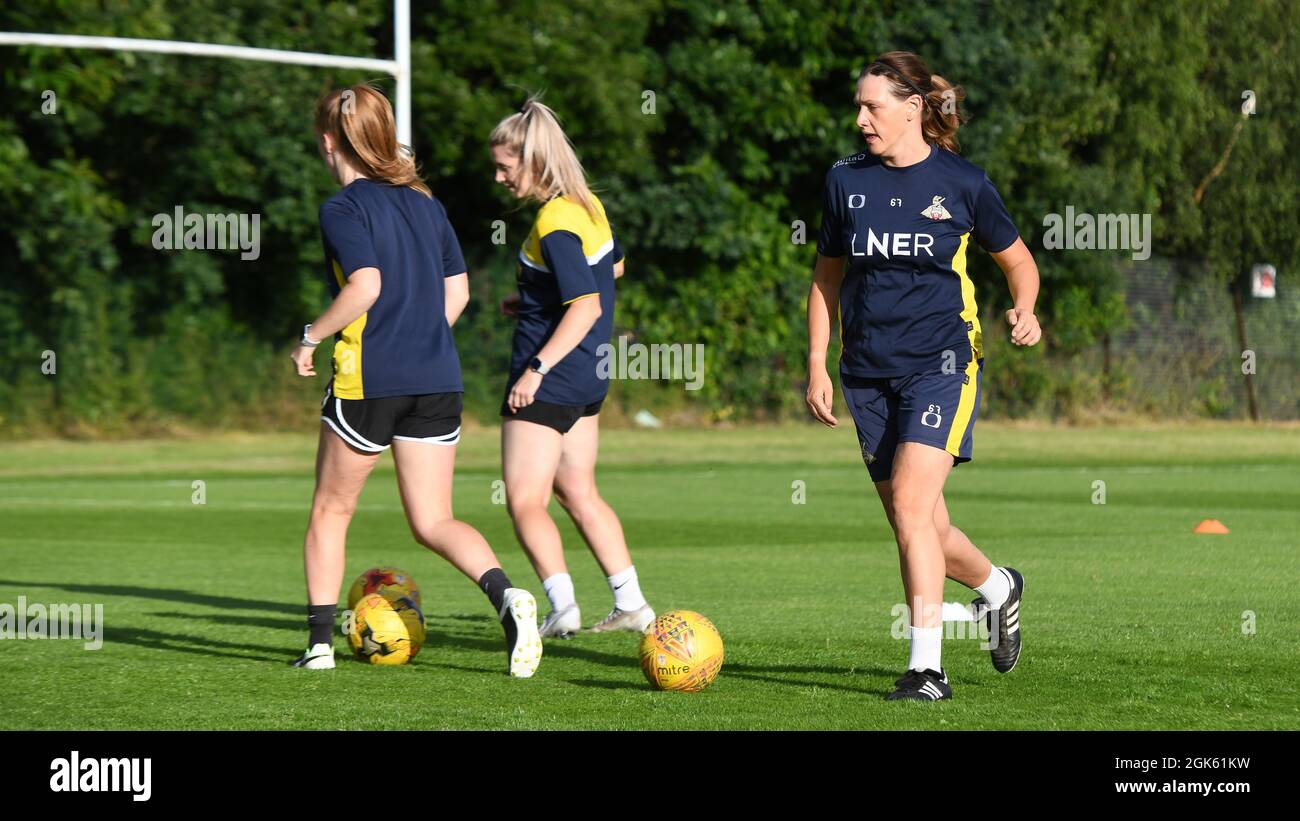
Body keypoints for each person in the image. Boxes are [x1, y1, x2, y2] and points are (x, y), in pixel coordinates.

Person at [806, 52, 1043, 701]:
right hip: (866, 373)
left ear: (912, 108)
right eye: (857, 105)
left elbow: (1018, 261)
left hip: (943, 363)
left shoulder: (963, 183)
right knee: (923, 526)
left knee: (912, 507)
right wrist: (816, 362)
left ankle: (927, 669)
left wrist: (1024, 307)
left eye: (872, 106)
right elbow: (826, 277)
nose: (860, 119)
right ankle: (997, 588)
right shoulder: (844, 182)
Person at [289, 83, 542, 677]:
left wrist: (309, 336)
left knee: (330, 511)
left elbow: (366, 286)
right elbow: (459, 292)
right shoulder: (427, 205)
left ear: (330, 143)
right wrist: (422, 336)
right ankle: (508, 597)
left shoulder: (342, 209)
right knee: (433, 519)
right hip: (437, 378)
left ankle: (320, 647)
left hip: (370, 381)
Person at [488, 98, 655, 638]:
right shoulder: (586, 207)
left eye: (505, 166)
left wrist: (536, 367)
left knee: (524, 500)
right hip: (588, 377)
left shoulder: (554, 222)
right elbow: (616, 265)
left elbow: (584, 305)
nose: (499, 177)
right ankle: (631, 603)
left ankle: (561, 606)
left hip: (552, 378)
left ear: (533, 162)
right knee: (578, 491)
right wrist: (534, 302)